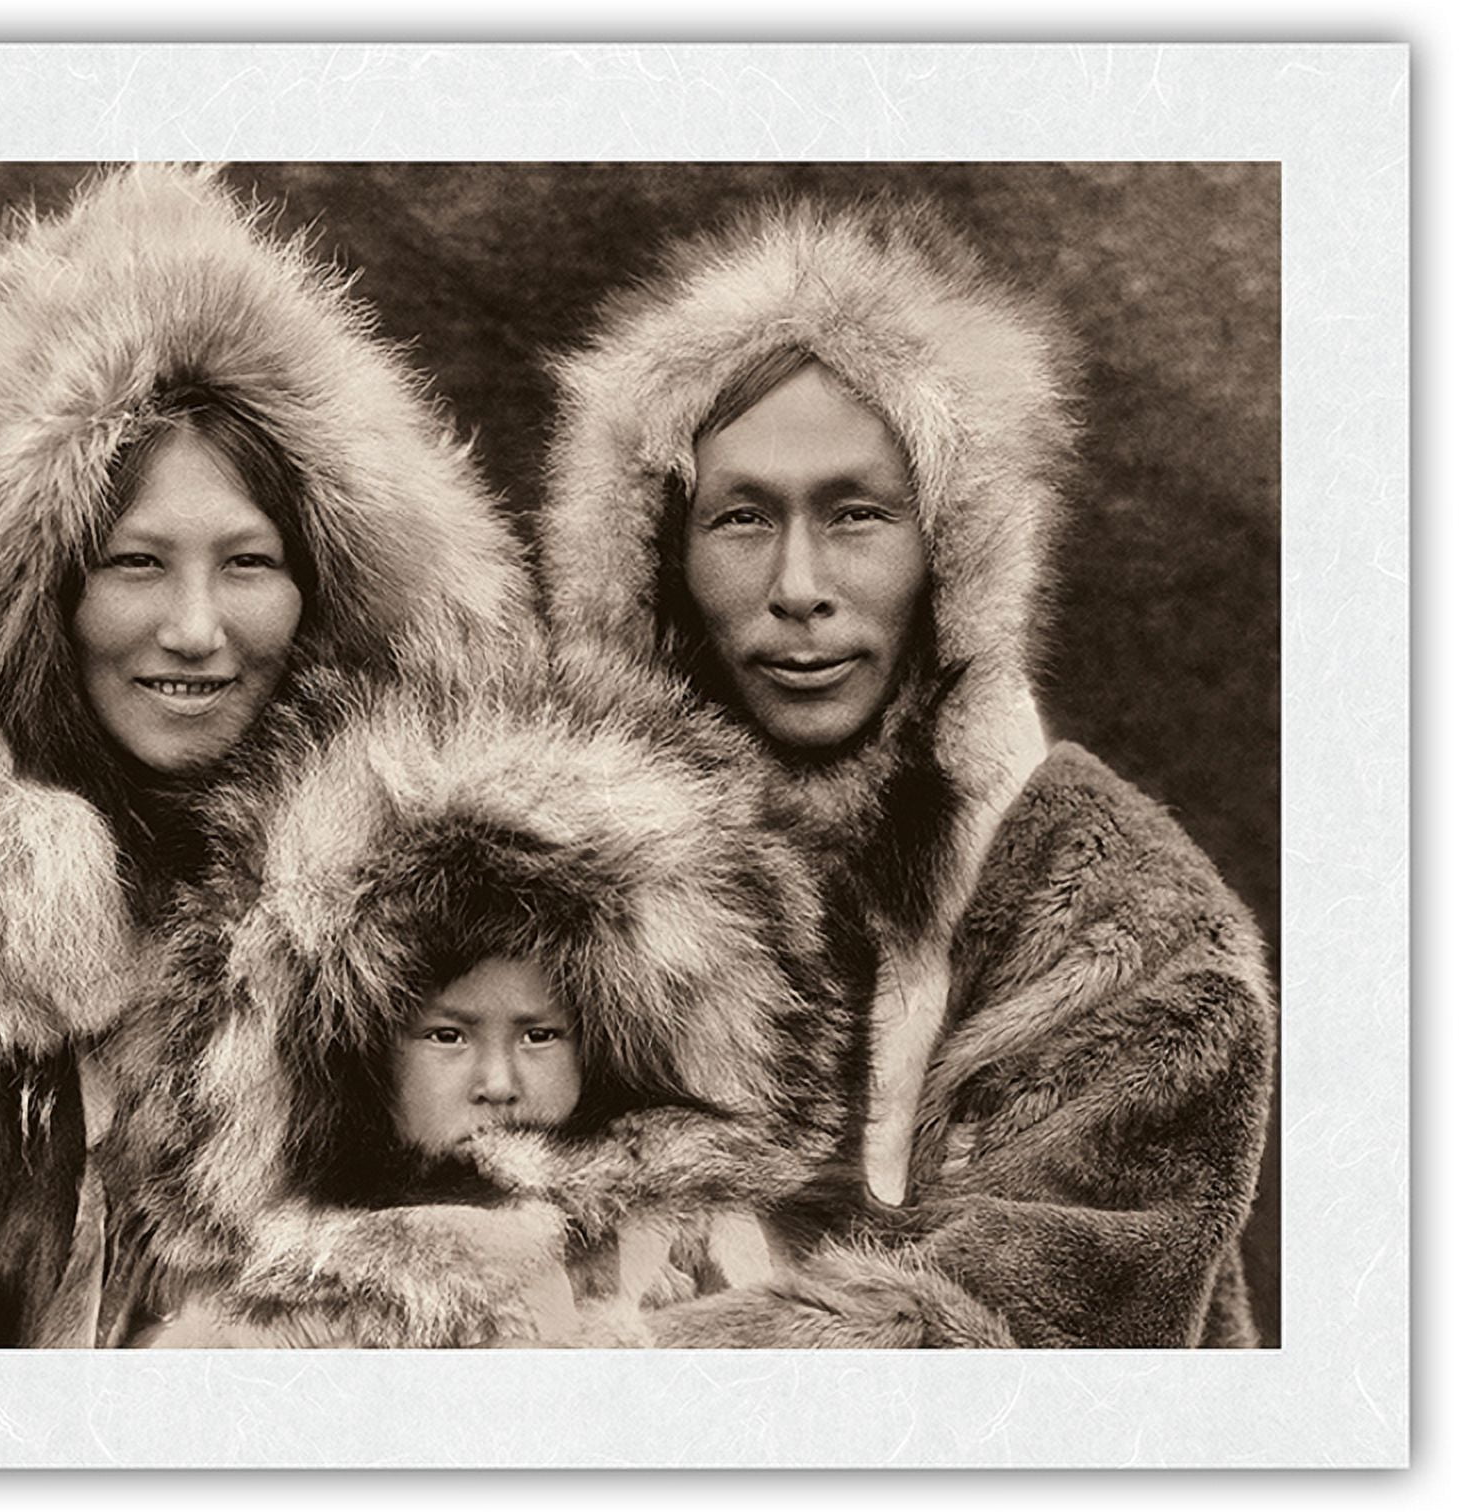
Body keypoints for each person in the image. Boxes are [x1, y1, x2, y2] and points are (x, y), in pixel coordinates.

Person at [0, 164, 535, 1347]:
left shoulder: (440, 897)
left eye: (249, 564)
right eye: (136, 564)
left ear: (323, 590)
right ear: (44, 599)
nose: (196, 629)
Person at [540, 195, 1277, 1347]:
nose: (799, 586)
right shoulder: (553, 876)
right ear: (658, 558)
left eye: (858, 514)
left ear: (952, 554)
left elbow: (1041, 1357)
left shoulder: (1137, 931)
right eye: (741, 518)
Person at [92, 672, 877, 1348]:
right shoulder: (264, 1305)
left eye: (540, 1034)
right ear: (362, 1061)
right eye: (446, 1035)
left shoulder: (689, 1254)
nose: (498, 1081)